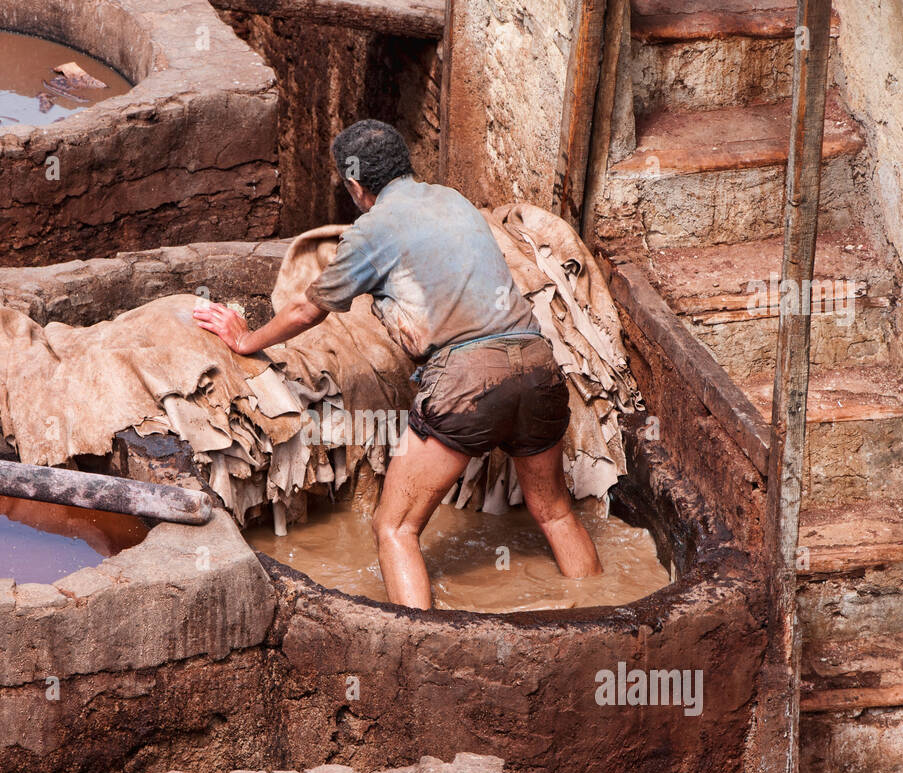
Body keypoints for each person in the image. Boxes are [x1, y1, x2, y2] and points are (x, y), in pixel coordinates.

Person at [195, 119, 602, 609]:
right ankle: (603, 607)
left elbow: (308, 309)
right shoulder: (452, 199)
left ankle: (418, 650)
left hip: (467, 382)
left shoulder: (371, 230)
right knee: (557, 512)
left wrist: (244, 339)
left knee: (394, 528)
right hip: (539, 365)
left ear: (354, 186)